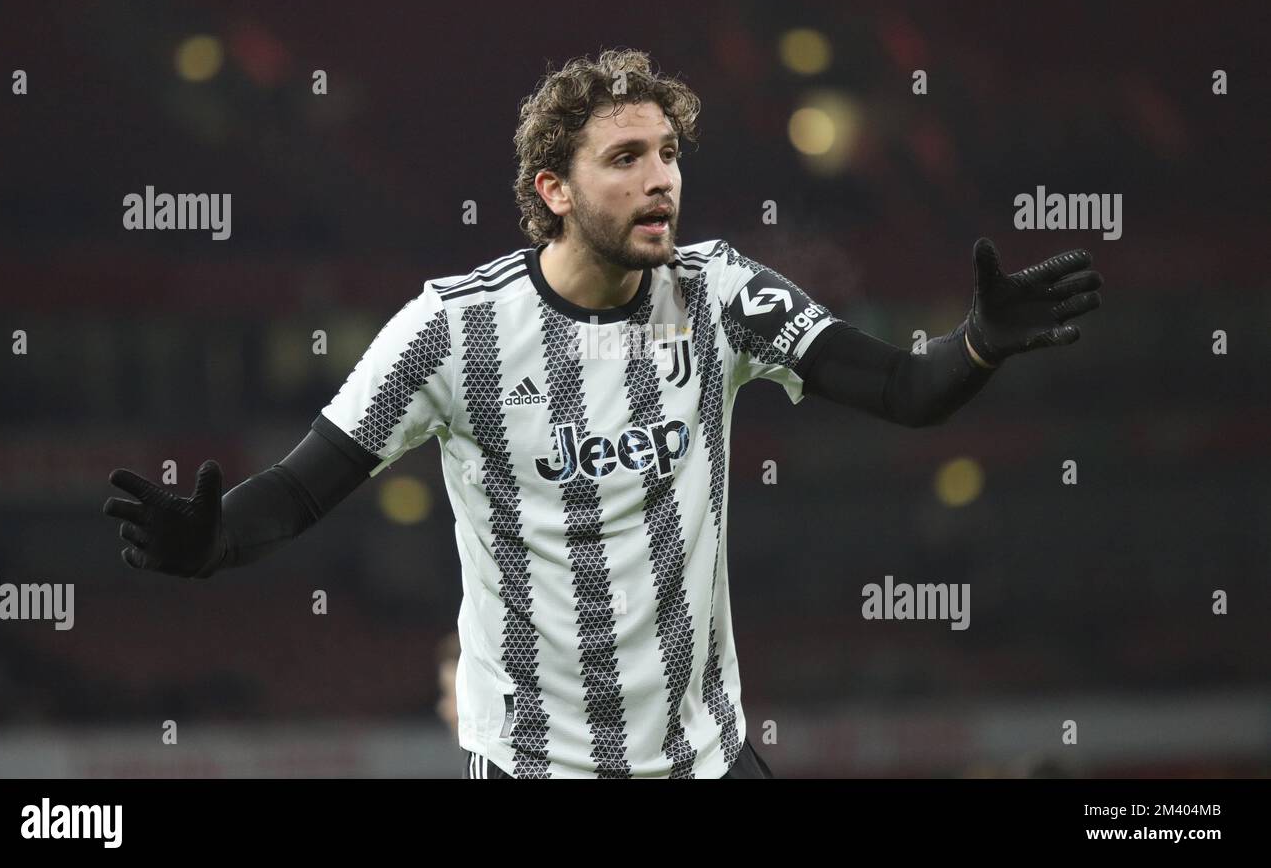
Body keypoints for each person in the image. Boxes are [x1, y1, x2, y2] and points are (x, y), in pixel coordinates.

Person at [102, 48, 1102, 778]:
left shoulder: (720, 292)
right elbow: (300, 486)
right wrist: (211, 541)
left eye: (667, 151)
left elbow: (902, 389)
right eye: (624, 155)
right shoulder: (452, 329)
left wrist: (974, 345)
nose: (659, 174)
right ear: (555, 188)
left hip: (706, 758)